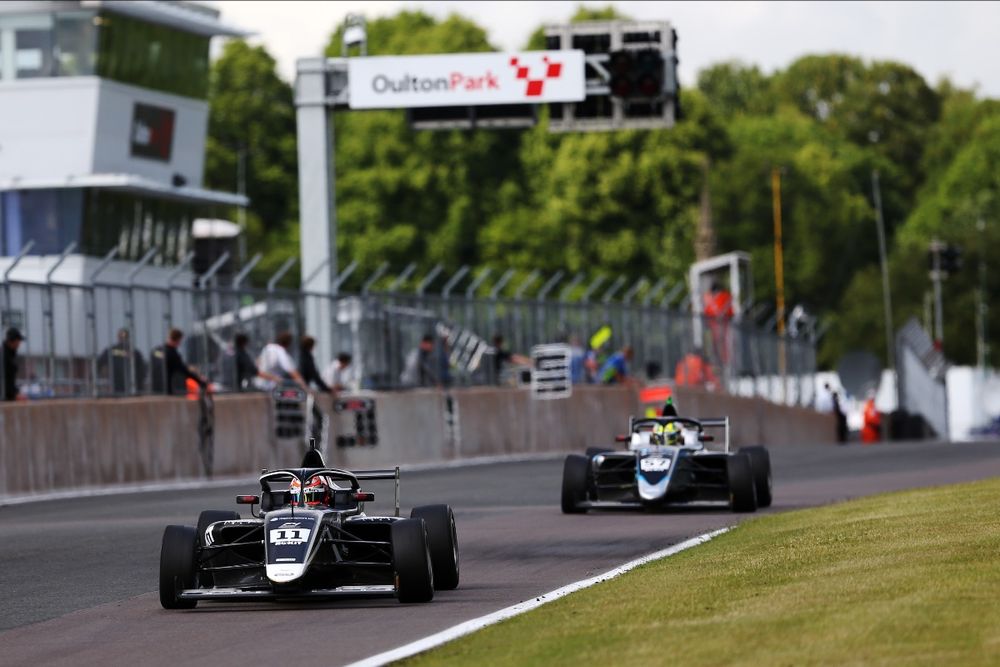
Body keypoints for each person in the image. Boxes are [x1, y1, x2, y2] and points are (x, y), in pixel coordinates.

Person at [150, 328, 206, 396]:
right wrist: (200, 381)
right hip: (166, 390)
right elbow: (184, 371)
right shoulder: (172, 354)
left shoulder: (156, 351)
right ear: (178, 340)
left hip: (153, 390)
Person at [97, 328, 147, 395]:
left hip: (119, 386)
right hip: (130, 387)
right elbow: (143, 370)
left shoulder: (112, 350)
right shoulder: (135, 352)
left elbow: (99, 364)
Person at [703, 281, 734, 366]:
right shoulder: (725, 297)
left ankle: (723, 362)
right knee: (722, 344)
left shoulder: (717, 298)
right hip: (722, 324)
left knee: (720, 345)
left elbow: (707, 313)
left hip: (719, 324)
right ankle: (724, 362)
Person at [2, 327, 25, 401]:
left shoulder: (10, 355)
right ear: (11, 341)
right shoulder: (4, 356)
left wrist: (16, 392)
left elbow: (10, 380)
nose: (19, 344)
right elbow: (4, 380)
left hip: (8, 395)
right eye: (18, 341)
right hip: (5, 397)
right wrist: (14, 394)